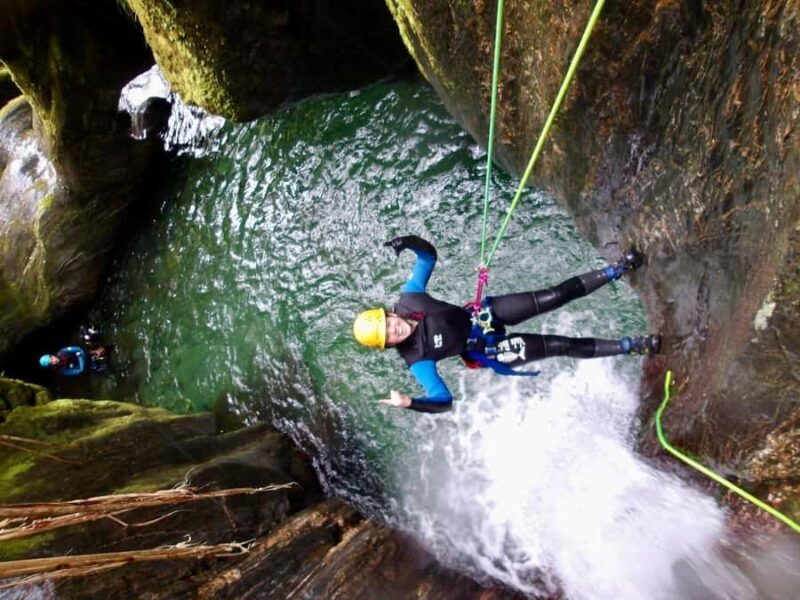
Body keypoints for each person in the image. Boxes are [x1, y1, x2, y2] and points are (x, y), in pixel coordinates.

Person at [353, 235, 661, 413]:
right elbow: (443, 401)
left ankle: (618, 269)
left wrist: (409, 242)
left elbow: (428, 258)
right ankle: (631, 346)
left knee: (554, 295)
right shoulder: (417, 360)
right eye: (388, 337)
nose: (394, 331)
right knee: (559, 345)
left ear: (390, 315)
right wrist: (410, 403)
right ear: (389, 345)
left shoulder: (411, 299)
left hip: (483, 315)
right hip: (488, 349)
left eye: (388, 324)